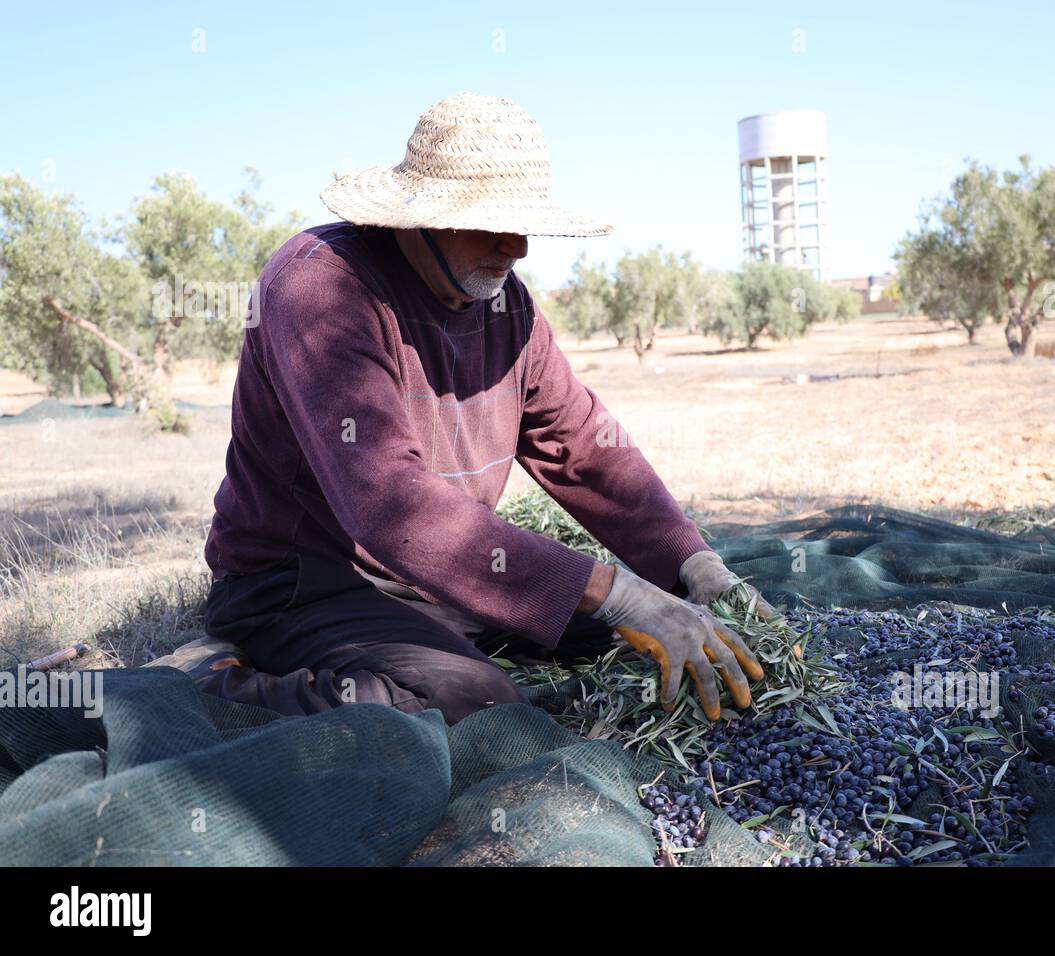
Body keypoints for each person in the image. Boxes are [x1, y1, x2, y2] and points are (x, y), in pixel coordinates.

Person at [150, 92, 773, 725]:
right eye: (492, 220)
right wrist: (612, 590)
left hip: (442, 578)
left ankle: (460, 633)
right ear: (420, 217)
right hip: (304, 585)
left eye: (524, 222)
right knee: (473, 701)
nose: (518, 246)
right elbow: (391, 508)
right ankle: (208, 682)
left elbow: (581, 443)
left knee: (655, 639)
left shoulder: (508, 308)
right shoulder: (322, 288)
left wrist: (690, 562)